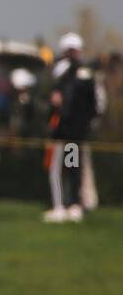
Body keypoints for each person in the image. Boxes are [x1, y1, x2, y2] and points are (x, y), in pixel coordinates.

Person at [44, 33, 99, 223]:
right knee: (62, 167)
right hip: (64, 131)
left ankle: (69, 204)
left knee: (68, 167)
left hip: (69, 132)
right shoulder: (68, 72)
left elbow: (91, 106)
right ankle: (65, 204)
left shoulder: (78, 74)